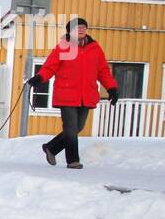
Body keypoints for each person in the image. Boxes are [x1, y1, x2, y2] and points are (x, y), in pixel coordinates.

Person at [30, 17, 119, 170]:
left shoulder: (95, 48)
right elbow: (50, 67)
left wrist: (111, 88)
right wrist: (40, 78)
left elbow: (103, 71)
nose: (82, 29)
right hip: (66, 93)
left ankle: (51, 147)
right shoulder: (63, 47)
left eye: (84, 27)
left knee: (78, 127)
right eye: (78, 27)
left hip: (86, 95)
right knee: (71, 128)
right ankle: (73, 161)